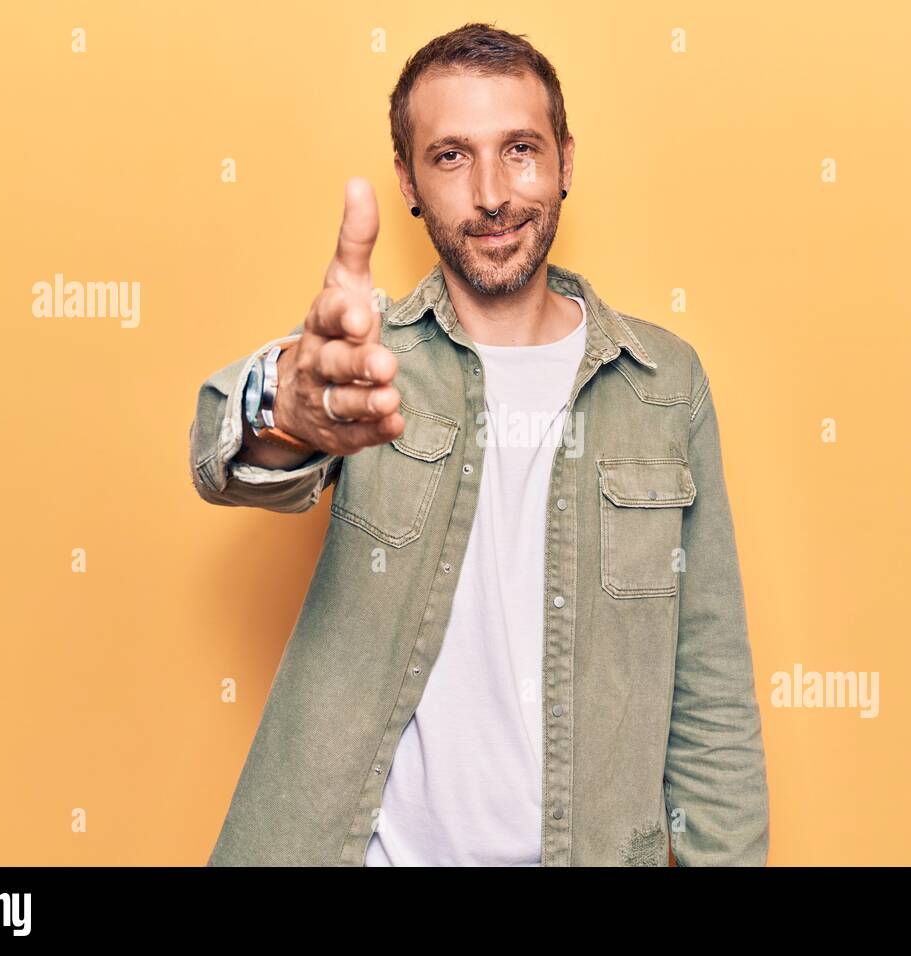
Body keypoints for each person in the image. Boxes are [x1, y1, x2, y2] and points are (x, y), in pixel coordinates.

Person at [189, 21, 768, 866]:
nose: (493, 193)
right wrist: (279, 409)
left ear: (566, 160)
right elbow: (223, 453)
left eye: (521, 149)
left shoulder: (664, 383)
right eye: (452, 156)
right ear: (409, 181)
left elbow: (711, 694)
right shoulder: (364, 359)